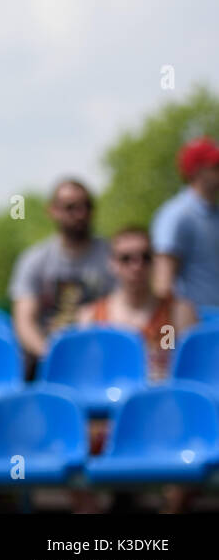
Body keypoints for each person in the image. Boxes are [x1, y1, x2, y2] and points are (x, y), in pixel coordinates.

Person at [9, 179, 115, 377]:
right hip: (47, 358)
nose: (80, 214)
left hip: (103, 356)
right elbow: (24, 322)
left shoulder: (115, 259)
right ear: (52, 211)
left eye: (86, 206)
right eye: (71, 207)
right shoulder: (34, 260)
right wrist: (50, 354)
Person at [79, 227, 174, 381]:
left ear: (154, 261)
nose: (137, 266)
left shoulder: (177, 312)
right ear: (112, 263)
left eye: (145, 257)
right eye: (126, 258)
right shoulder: (90, 316)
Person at [151, 136, 219, 329]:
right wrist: (168, 341)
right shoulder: (176, 215)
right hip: (193, 326)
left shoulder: (214, 215)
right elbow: (163, 285)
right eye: (215, 165)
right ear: (197, 171)